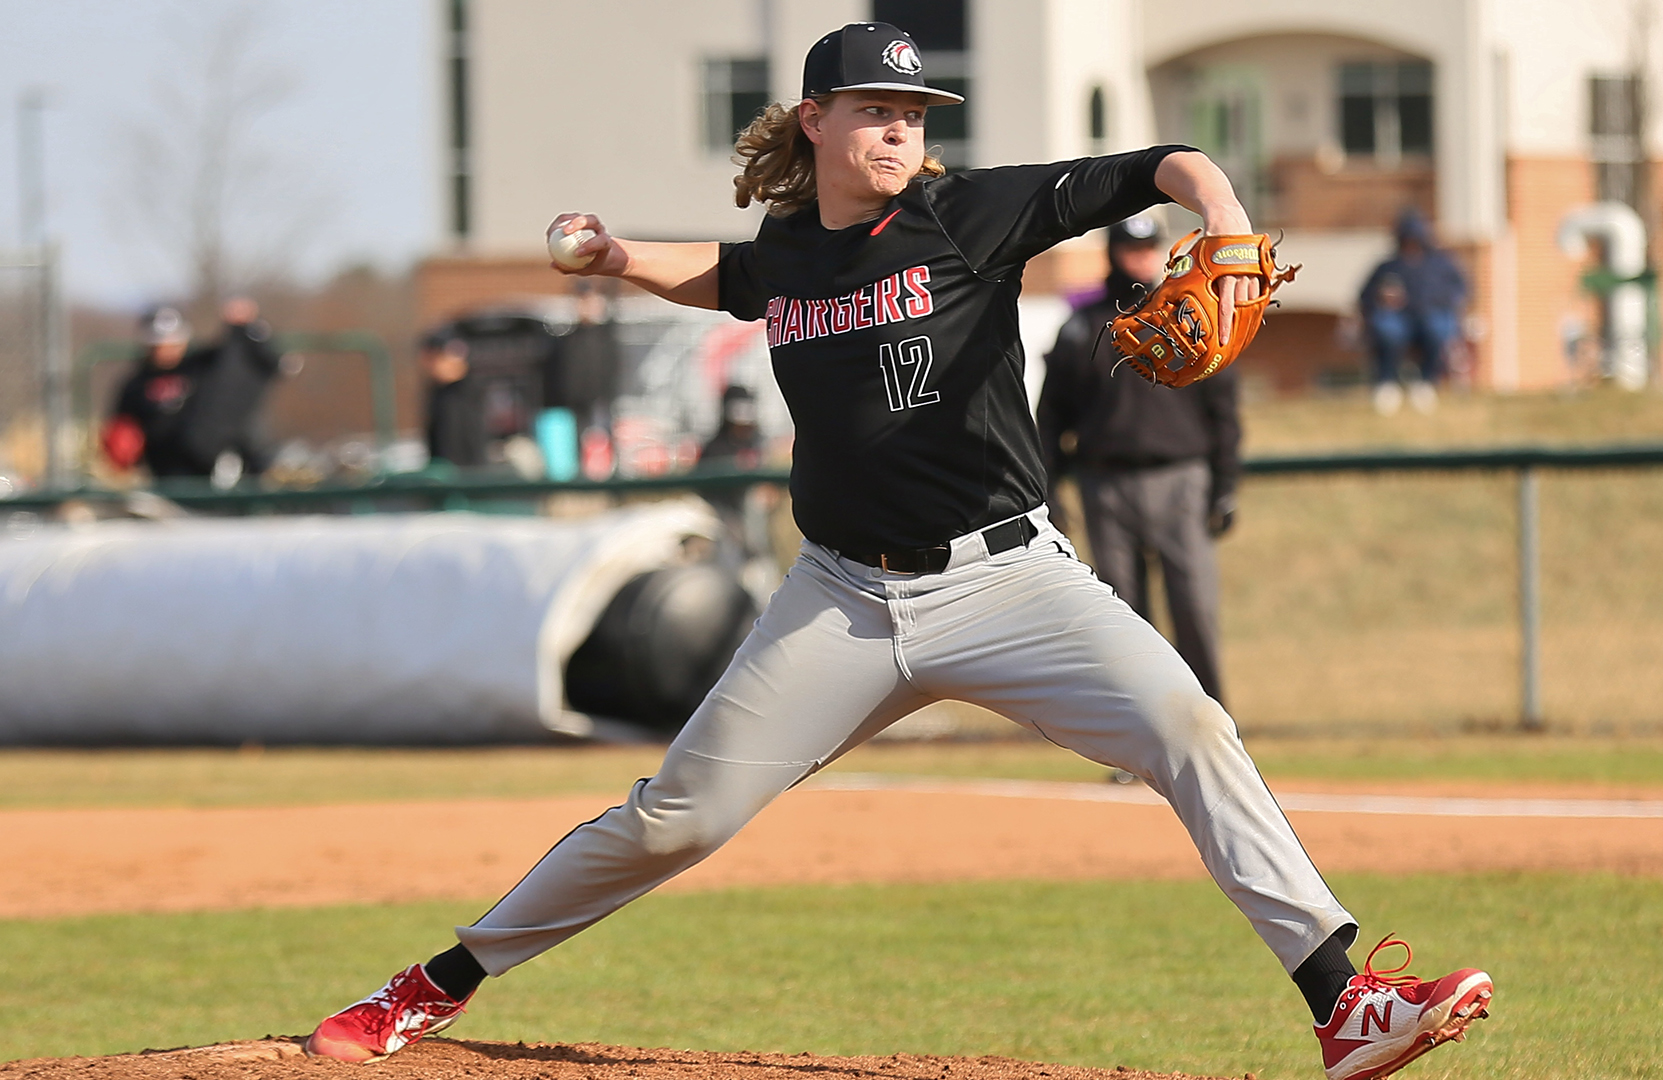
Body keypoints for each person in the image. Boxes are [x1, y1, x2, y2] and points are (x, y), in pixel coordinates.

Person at [303, 23, 1491, 1080]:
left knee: (1190, 727)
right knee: (677, 818)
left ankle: (1345, 1005)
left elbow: (1159, 164)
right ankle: (432, 986)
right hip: (841, 600)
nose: (900, 130)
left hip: (1011, 580)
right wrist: (616, 256)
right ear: (816, 120)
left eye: (914, 113)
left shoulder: (966, 211)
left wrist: (1222, 216)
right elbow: (728, 277)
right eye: (877, 109)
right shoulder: (792, 248)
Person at [1036, 213, 1240, 704]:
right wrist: (1050, 491)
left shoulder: (1190, 317)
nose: (1142, 259)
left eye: (1150, 249)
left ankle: (1214, 728)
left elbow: (1223, 411)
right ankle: (1139, 735)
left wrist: (1225, 485)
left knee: (1194, 609)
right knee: (1125, 620)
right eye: (1132, 249)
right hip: (1105, 484)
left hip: (1181, 478)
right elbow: (1051, 418)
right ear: (1113, 252)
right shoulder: (1082, 328)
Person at [105, 300, 282, 480]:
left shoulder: (205, 366)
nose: (164, 348)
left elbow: (268, 363)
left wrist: (249, 326)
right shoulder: (135, 384)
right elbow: (122, 430)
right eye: (157, 343)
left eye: (171, 341)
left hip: (221, 467)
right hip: (167, 476)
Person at [1358, 209, 1467, 416]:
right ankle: (1387, 383)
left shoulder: (1441, 264)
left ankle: (1426, 382)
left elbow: (1460, 290)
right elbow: (1365, 295)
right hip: (1399, 319)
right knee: (1387, 328)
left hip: (1431, 315)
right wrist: (1382, 298)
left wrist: (1439, 302)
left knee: (1438, 328)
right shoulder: (1388, 266)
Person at [421, 330, 488, 467]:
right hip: (446, 471)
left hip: (469, 472)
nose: (430, 366)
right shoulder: (439, 392)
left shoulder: (466, 390)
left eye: (435, 358)